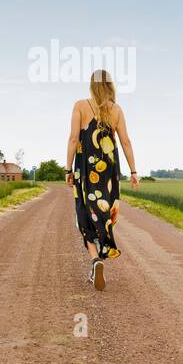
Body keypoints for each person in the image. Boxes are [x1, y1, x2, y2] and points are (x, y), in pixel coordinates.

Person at [65, 69, 138, 290]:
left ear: (91, 84)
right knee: (104, 213)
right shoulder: (116, 110)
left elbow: (73, 138)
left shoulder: (80, 105)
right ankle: (98, 259)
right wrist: (134, 172)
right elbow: (125, 142)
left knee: (85, 213)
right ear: (110, 85)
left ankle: (95, 259)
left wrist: (68, 169)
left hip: (86, 170)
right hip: (108, 171)